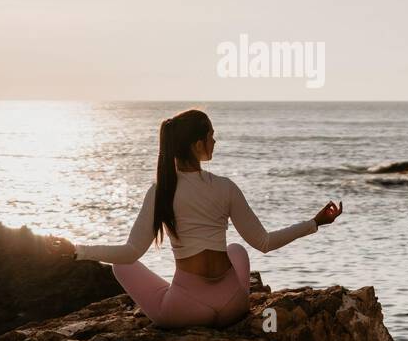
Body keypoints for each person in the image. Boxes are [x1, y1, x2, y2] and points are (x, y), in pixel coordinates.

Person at [54, 108, 342, 329]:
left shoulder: (161, 191)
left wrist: (77, 251)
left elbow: (131, 253)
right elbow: (264, 242)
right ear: (196, 144)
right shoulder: (225, 186)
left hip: (187, 309)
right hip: (232, 306)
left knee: (122, 266)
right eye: (211, 136)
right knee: (237, 250)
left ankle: (175, 291)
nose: (214, 141)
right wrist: (314, 222)